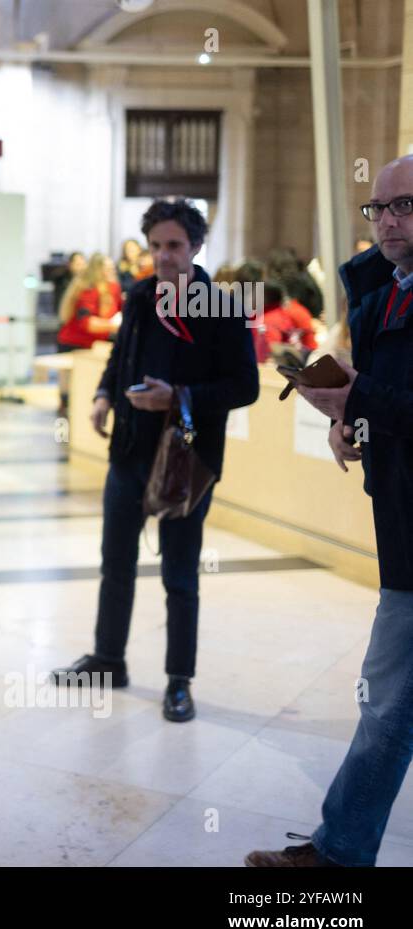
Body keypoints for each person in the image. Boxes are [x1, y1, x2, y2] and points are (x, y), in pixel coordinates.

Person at [247, 156, 413, 866]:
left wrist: (363, 401)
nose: (388, 223)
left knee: (385, 703)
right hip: (404, 529)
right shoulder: (384, 299)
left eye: (404, 206)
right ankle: (342, 848)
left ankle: (340, 852)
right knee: (389, 704)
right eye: (379, 209)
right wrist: (348, 419)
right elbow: (377, 392)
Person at [52, 200, 259, 722]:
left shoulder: (223, 305)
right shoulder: (142, 296)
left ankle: (178, 681)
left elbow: (245, 387)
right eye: (156, 246)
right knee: (114, 563)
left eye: (174, 246)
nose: (164, 256)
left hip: (187, 461)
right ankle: (108, 659)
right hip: (129, 453)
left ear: (195, 247)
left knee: (180, 574)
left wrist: (178, 397)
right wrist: (102, 395)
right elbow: (120, 356)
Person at [56, 252, 122, 351]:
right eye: (107, 269)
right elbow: (87, 323)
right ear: (98, 270)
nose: (112, 272)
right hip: (75, 344)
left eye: (112, 268)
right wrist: (114, 326)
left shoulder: (114, 288)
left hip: (96, 345)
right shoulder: (87, 289)